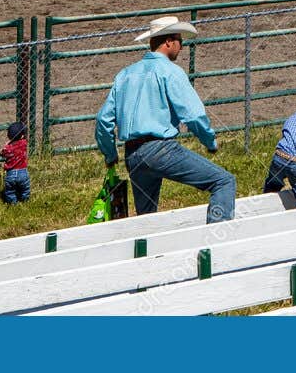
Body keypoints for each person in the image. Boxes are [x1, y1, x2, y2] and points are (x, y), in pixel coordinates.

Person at [94, 16, 236, 223]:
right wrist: (209, 141)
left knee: (146, 216)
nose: (182, 46)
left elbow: (103, 120)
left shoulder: (125, 75)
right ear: (168, 42)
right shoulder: (171, 72)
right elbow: (193, 114)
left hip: (132, 155)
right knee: (223, 181)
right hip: (161, 150)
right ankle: (216, 239)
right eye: (179, 40)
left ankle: (145, 251)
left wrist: (110, 154)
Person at [0, 122, 30, 203]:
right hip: (23, 172)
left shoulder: (8, 148)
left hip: (11, 174)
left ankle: (12, 203)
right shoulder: (24, 144)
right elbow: (25, 139)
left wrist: (6, 145)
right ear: (22, 136)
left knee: (10, 191)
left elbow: (2, 154)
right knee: (25, 189)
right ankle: (25, 200)